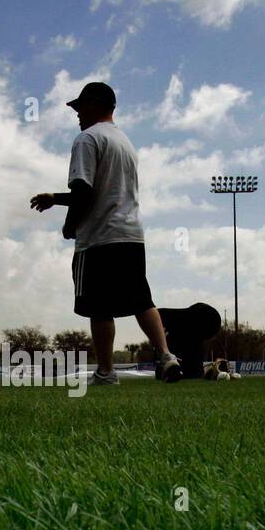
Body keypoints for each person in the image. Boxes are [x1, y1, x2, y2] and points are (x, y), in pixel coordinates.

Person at [30, 82, 182, 384]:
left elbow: (84, 189)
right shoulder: (125, 142)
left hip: (99, 237)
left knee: (98, 307)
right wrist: (57, 199)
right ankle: (166, 356)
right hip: (131, 234)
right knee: (142, 299)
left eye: (80, 106)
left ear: (95, 104)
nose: (76, 114)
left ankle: (106, 371)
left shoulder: (87, 139)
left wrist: (68, 221)